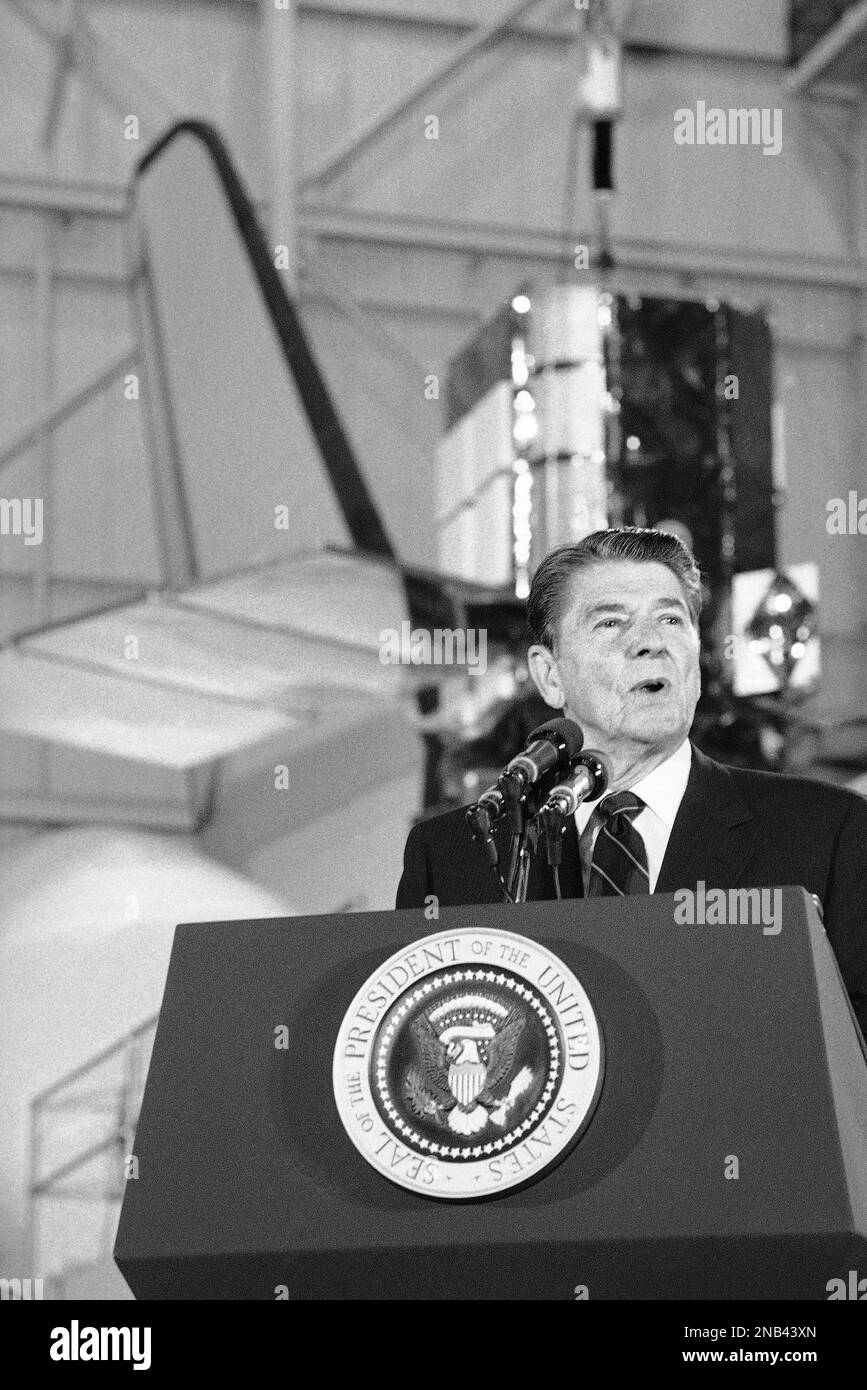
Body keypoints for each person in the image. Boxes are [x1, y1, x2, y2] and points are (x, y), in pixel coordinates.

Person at [396, 527, 867, 1035]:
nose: (650, 643)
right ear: (550, 675)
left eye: (670, 618)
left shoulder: (826, 831)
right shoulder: (453, 855)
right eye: (611, 623)